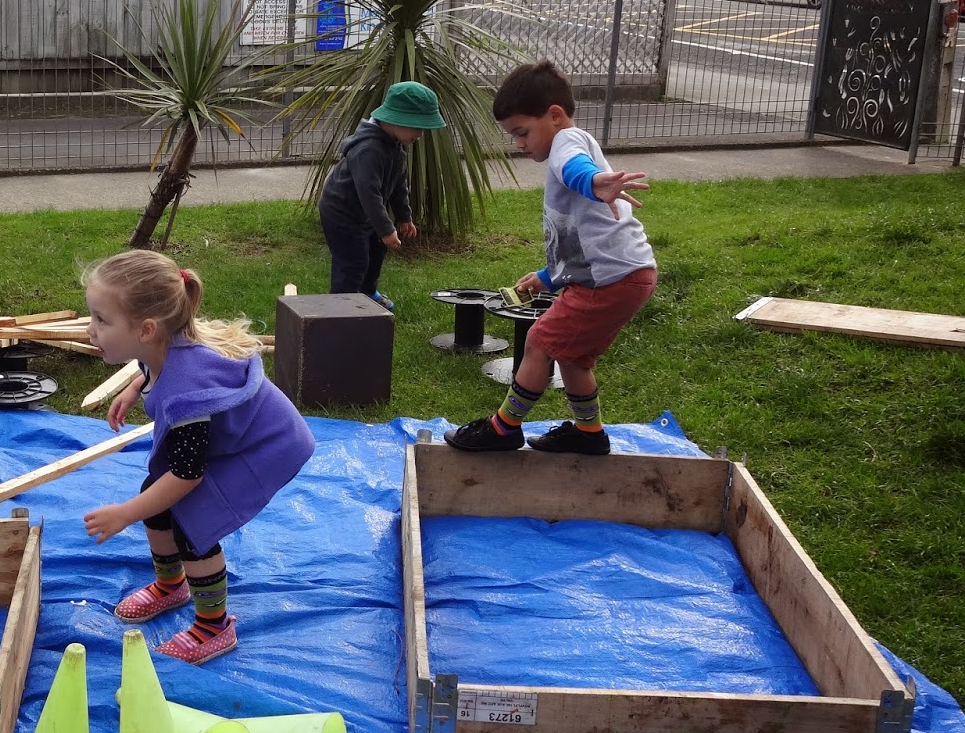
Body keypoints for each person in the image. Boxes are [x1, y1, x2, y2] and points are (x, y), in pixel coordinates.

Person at [81, 250, 316, 664]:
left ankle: (214, 626)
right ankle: (172, 585)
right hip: (233, 432)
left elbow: (188, 476)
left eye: (102, 320)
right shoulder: (162, 346)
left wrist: (125, 514)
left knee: (194, 524)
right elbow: (153, 365)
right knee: (155, 493)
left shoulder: (186, 393)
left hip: (268, 446)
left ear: (147, 329)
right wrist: (136, 386)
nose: (90, 329)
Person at [445, 61, 656, 456]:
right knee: (574, 358)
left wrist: (595, 182)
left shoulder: (567, 143)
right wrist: (547, 276)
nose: (519, 144)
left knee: (540, 340)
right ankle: (589, 434)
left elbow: (575, 168)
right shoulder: (570, 142)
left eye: (522, 132)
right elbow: (581, 244)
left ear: (555, 116)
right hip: (621, 275)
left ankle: (503, 428)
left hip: (612, 280)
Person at [318, 80, 447, 312]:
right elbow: (369, 193)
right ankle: (339, 308)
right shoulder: (369, 149)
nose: (420, 134)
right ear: (395, 120)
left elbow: (399, 183)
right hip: (342, 214)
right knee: (353, 261)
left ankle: (367, 292)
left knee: (377, 252)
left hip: (367, 214)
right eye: (417, 127)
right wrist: (386, 230)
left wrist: (404, 217)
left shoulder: (396, 145)